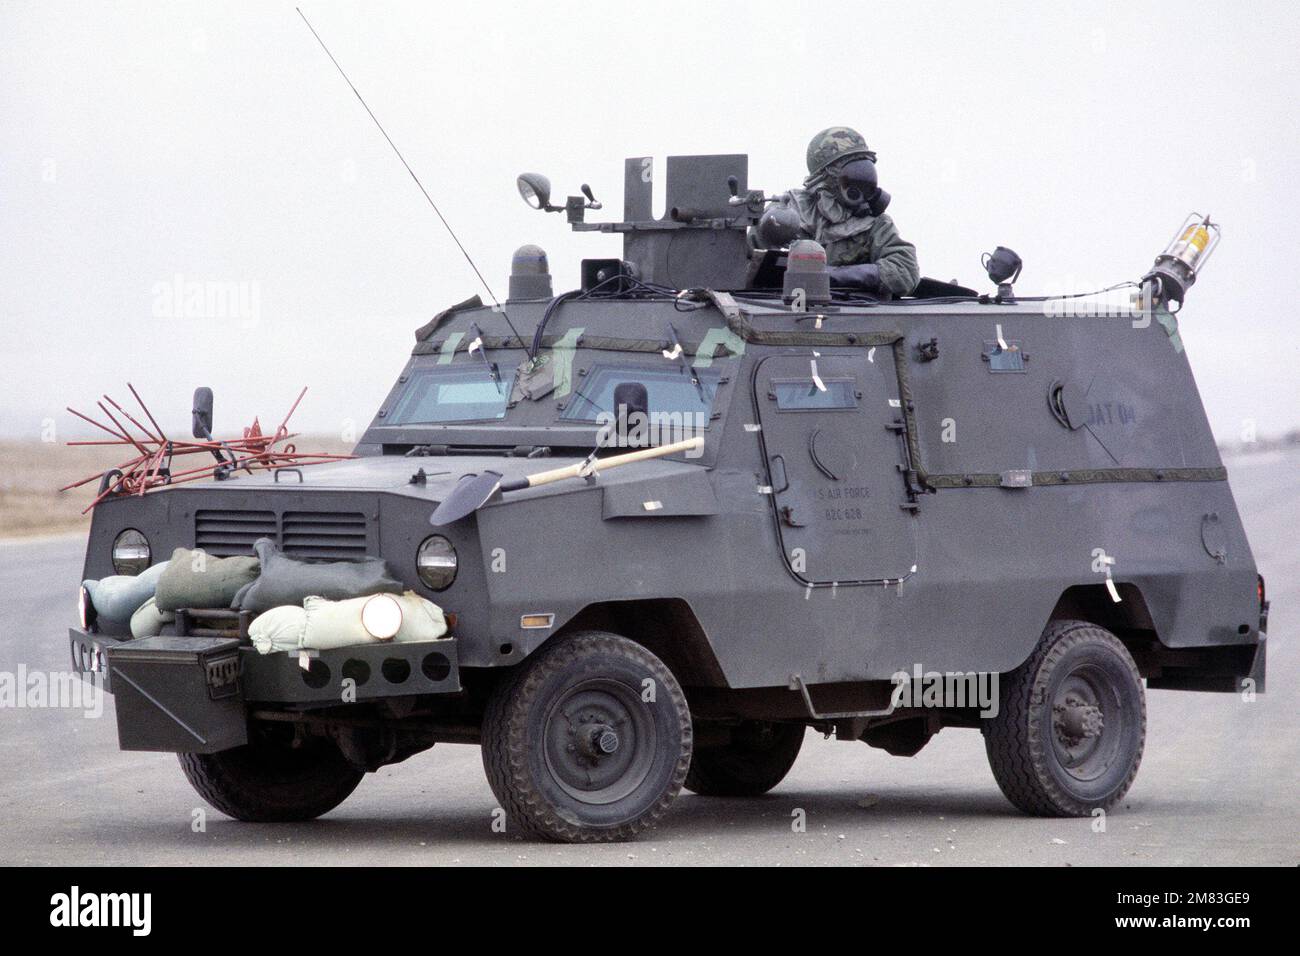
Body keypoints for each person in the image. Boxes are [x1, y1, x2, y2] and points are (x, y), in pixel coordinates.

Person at [785, 126, 919, 297]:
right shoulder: (789, 212)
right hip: (787, 306)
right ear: (827, 179)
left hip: (854, 310)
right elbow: (753, 258)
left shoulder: (876, 224)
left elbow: (905, 270)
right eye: (853, 173)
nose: (862, 180)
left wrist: (832, 275)